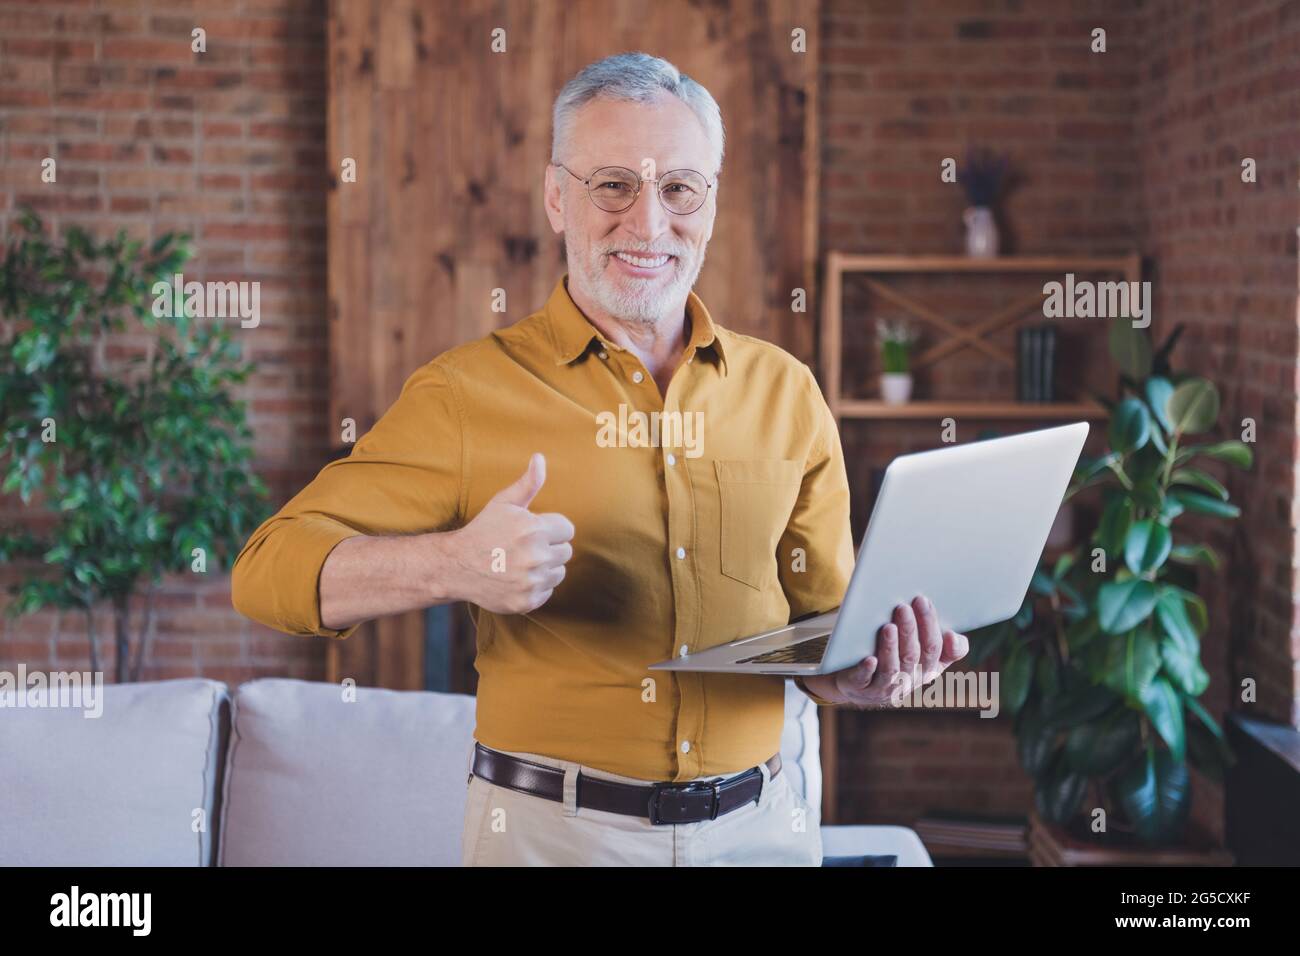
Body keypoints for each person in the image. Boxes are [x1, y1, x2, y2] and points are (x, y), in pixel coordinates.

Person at [232, 51, 969, 866]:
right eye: (614, 184)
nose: (649, 224)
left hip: (761, 832)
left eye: (679, 189)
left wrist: (861, 675)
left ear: (711, 203)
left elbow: (816, 637)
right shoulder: (466, 393)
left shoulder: (786, 392)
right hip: (553, 839)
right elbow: (266, 570)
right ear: (557, 197)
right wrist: (453, 564)